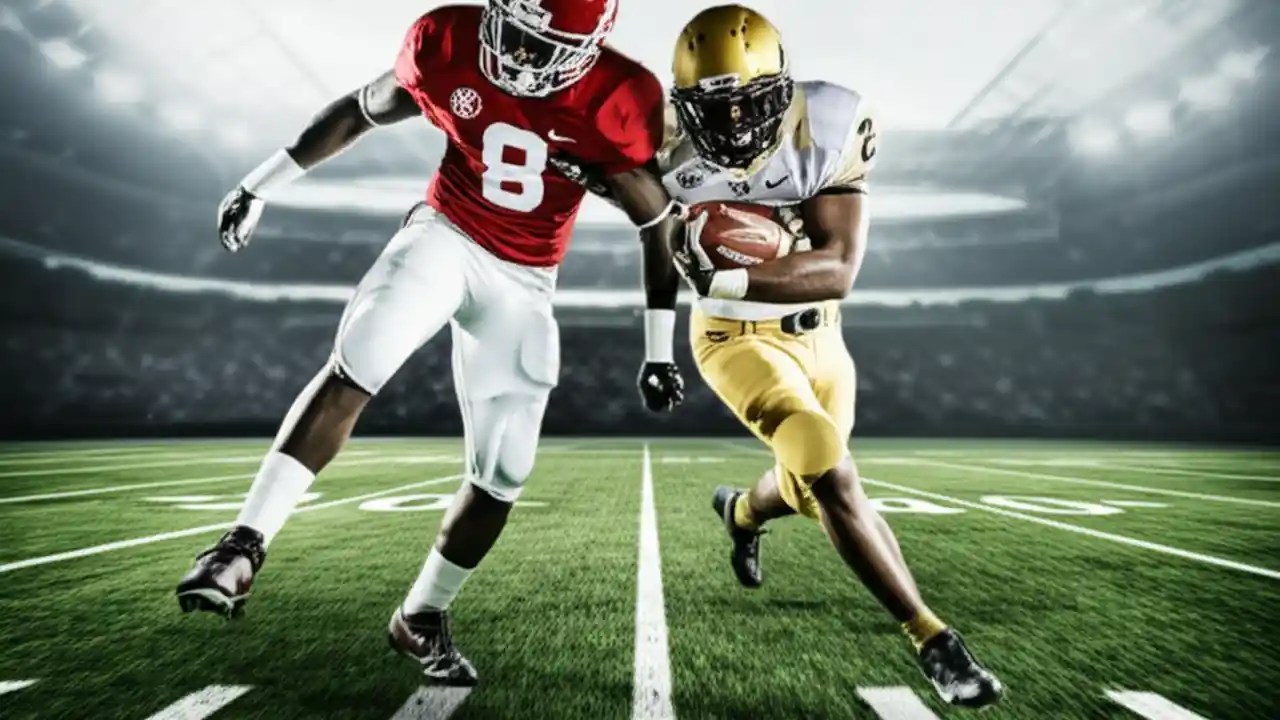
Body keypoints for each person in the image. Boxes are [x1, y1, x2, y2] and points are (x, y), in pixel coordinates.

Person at [175, 0, 686, 686]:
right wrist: (260, 183)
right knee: (362, 357)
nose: (522, 59)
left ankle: (419, 617)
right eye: (517, 36)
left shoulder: (620, 98)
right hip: (444, 232)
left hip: (526, 280)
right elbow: (362, 108)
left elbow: (655, 223)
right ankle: (239, 548)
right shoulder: (448, 39)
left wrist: (660, 347)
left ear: (588, 47)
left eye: (545, 47)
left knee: (505, 472)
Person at [661, 5, 1002, 709]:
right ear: (682, 105)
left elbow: (839, 266)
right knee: (832, 472)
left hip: (822, 335)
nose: (730, 127)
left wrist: (721, 270)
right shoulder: (655, 146)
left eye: (747, 103)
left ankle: (742, 515)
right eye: (711, 110)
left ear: (782, 88)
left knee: (806, 483)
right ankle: (933, 639)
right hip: (735, 339)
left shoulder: (833, 122)